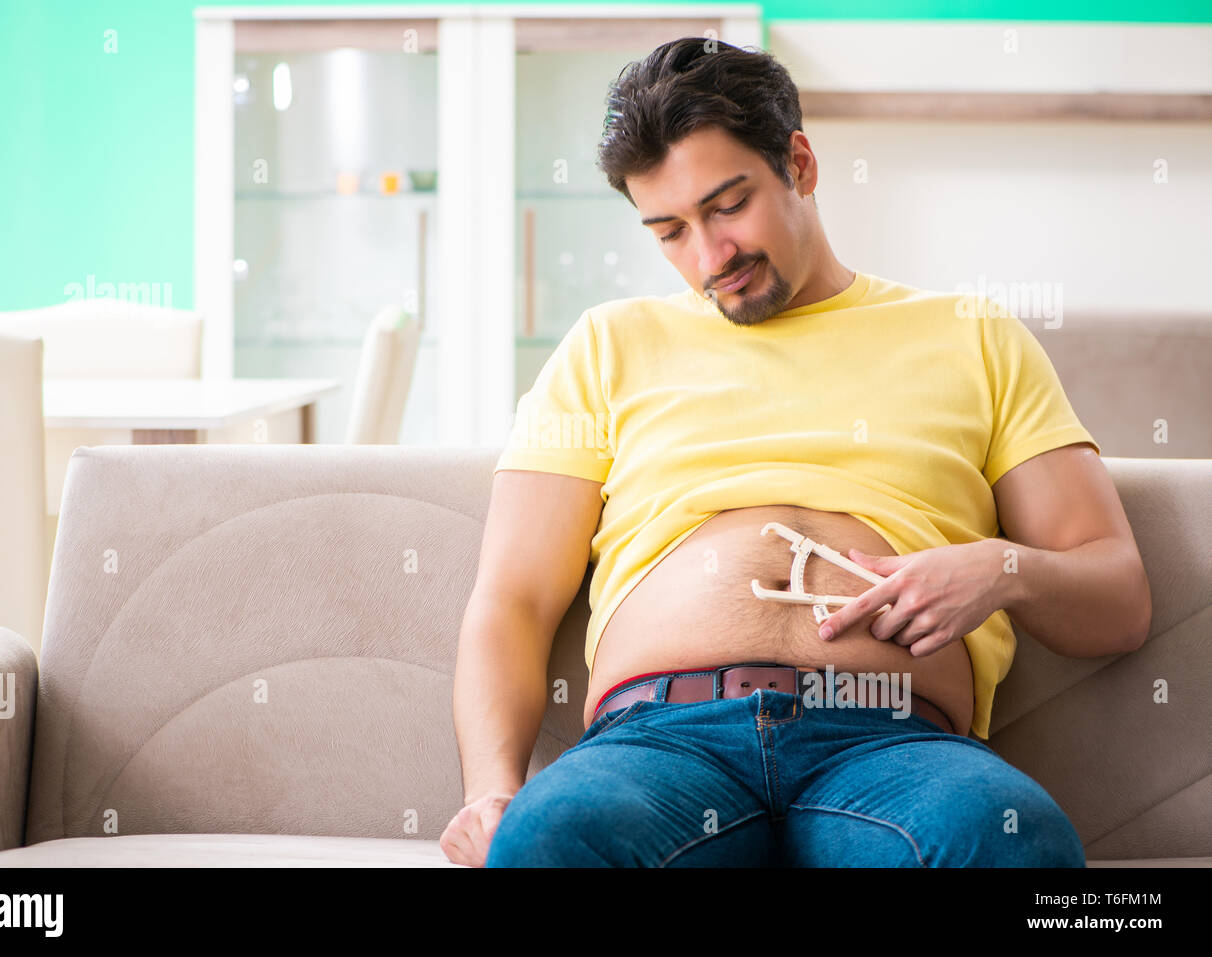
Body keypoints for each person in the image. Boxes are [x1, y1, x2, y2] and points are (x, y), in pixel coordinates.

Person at [440, 38, 1151, 867]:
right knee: (545, 841)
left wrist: (997, 568)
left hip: (892, 741)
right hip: (658, 740)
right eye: (670, 231)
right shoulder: (608, 343)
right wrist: (489, 790)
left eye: (727, 206)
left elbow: (1120, 597)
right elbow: (512, 601)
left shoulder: (973, 336)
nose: (709, 258)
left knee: (1016, 844)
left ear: (800, 164)